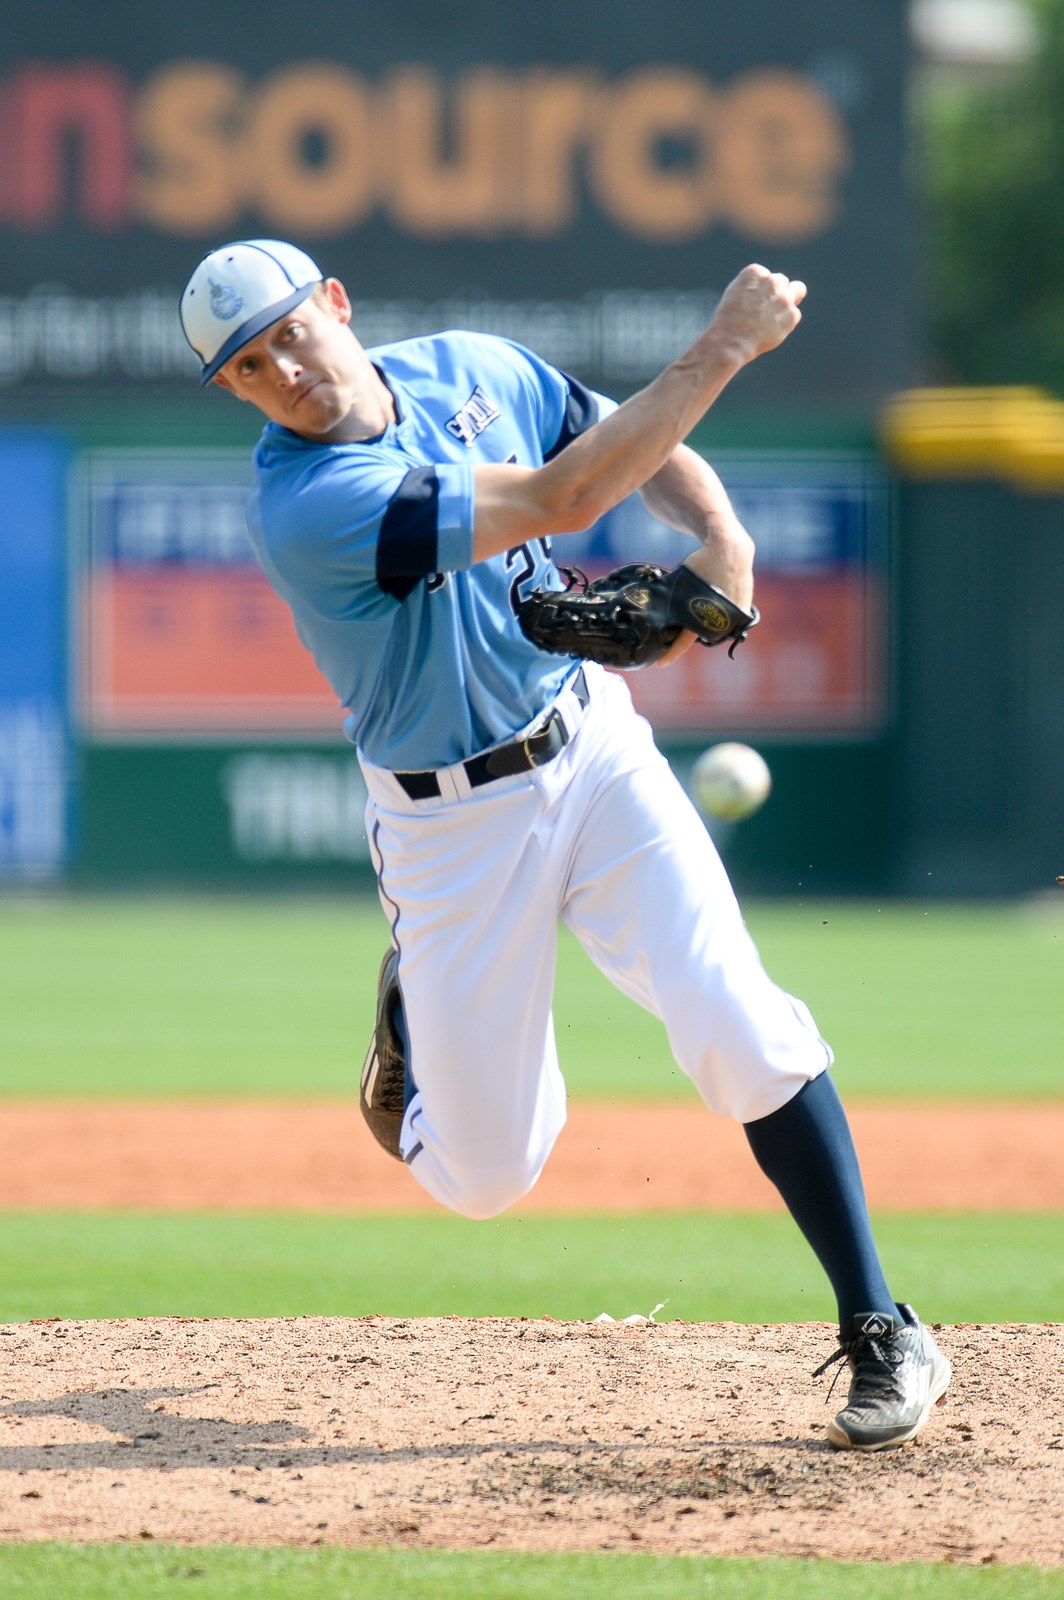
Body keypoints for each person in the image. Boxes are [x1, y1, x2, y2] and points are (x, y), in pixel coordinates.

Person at [179, 239, 951, 1451]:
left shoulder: (471, 369)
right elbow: (564, 499)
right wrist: (722, 347)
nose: (283, 367)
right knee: (489, 1175)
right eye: (248, 363)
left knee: (736, 1021)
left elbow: (623, 440)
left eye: (288, 329)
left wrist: (723, 538)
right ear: (232, 391)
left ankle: (880, 1324)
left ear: (336, 302)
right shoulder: (307, 504)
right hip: (449, 830)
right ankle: (412, 1033)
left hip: (589, 748)